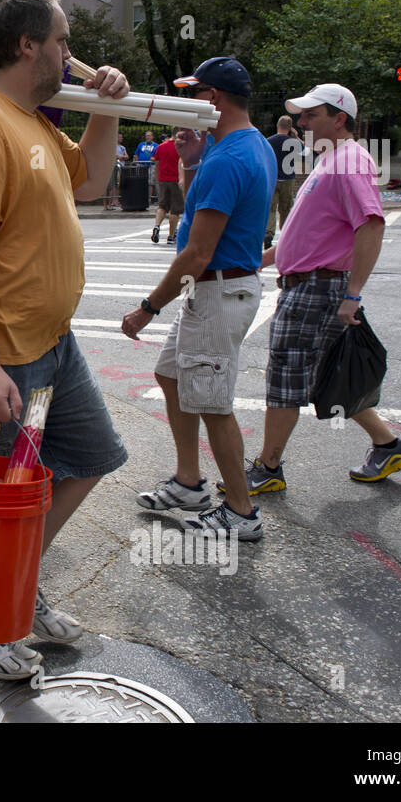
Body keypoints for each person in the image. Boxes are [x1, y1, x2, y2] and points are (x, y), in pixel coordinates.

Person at [0, 0, 130, 679]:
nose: (72, 56)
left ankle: (16, 585)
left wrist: (105, 108)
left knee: (92, 453)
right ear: (27, 45)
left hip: (48, 345)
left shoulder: (33, 120)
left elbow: (93, 182)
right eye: (64, 42)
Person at [120, 56, 274, 542]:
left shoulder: (230, 157)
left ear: (213, 99)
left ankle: (240, 514)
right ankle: (189, 484)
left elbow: (197, 251)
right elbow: (200, 214)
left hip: (217, 289)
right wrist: (189, 162)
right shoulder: (245, 145)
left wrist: (148, 307)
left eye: (194, 93)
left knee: (213, 404)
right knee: (170, 375)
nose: (186, 104)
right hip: (216, 288)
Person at [238, 84, 401, 497]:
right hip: (312, 285)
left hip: (317, 288)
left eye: (311, 115)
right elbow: (306, 234)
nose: (301, 123)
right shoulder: (329, 161)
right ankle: (389, 445)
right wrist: (257, 261)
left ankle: (268, 468)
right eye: (300, 116)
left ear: (339, 119)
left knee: (285, 376)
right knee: (326, 373)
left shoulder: (349, 160)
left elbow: (372, 224)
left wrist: (353, 294)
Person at [264, 114, 301, 250]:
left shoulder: (269, 141)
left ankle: (268, 233)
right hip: (288, 179)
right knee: (285, 208)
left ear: (277, 125)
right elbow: (306, 153)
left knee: (271, 208)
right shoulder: (294, 142)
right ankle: (286, 234)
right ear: (290, 128)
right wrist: (296, 137)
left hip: (272, 178)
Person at [150, 134, 182, 244]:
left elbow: (157, 164)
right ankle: (171, 236)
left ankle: (157, 226)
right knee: (175, 209)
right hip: (176, 180)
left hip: (163, 180)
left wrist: (159, 179)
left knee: (162, 206)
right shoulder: (181, 147)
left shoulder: (161, 147)